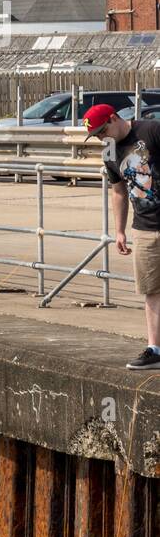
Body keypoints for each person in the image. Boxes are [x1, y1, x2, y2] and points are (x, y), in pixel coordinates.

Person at [89, 103, 160, 369]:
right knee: (151, 288)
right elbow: (118, 191)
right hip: (144, 227)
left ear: (114, 118)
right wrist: (119, 230)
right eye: (96, 134)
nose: (101, 136)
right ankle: (155, 349)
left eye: (103, 129)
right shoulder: (108, 151)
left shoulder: (151, 130)